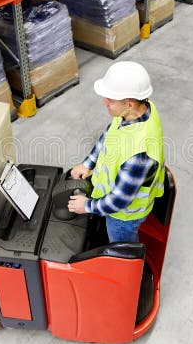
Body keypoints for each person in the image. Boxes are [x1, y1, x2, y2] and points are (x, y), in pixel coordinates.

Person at [67, 61, 165, 243]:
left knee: (121, 248)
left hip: (123, 216)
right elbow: (109, 136)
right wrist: (87, 164)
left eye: (110, 99)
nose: (104, 102)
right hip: (116, 198)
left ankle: (129, 267)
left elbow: (119, 201)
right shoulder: (138, 110)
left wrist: (86, 206)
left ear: (129, 104)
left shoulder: (138, 154)